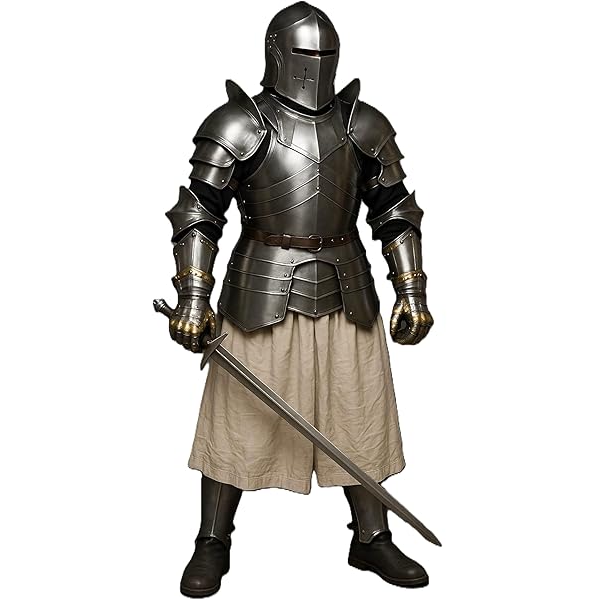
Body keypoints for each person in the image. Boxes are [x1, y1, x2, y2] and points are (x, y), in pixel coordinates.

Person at [163, 3, 434, 596]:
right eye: (306, 53)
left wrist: (411, 290)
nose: (316, 65)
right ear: (277, 55)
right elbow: (198, 214)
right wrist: (193, 298)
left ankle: (371, 538)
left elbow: (394, 211)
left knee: (358, 411)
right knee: (236, 417)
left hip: (347, 284)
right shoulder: (239, 124)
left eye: (325, 54)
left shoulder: (364, 125)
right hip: (260, 287)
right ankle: (212, 540)